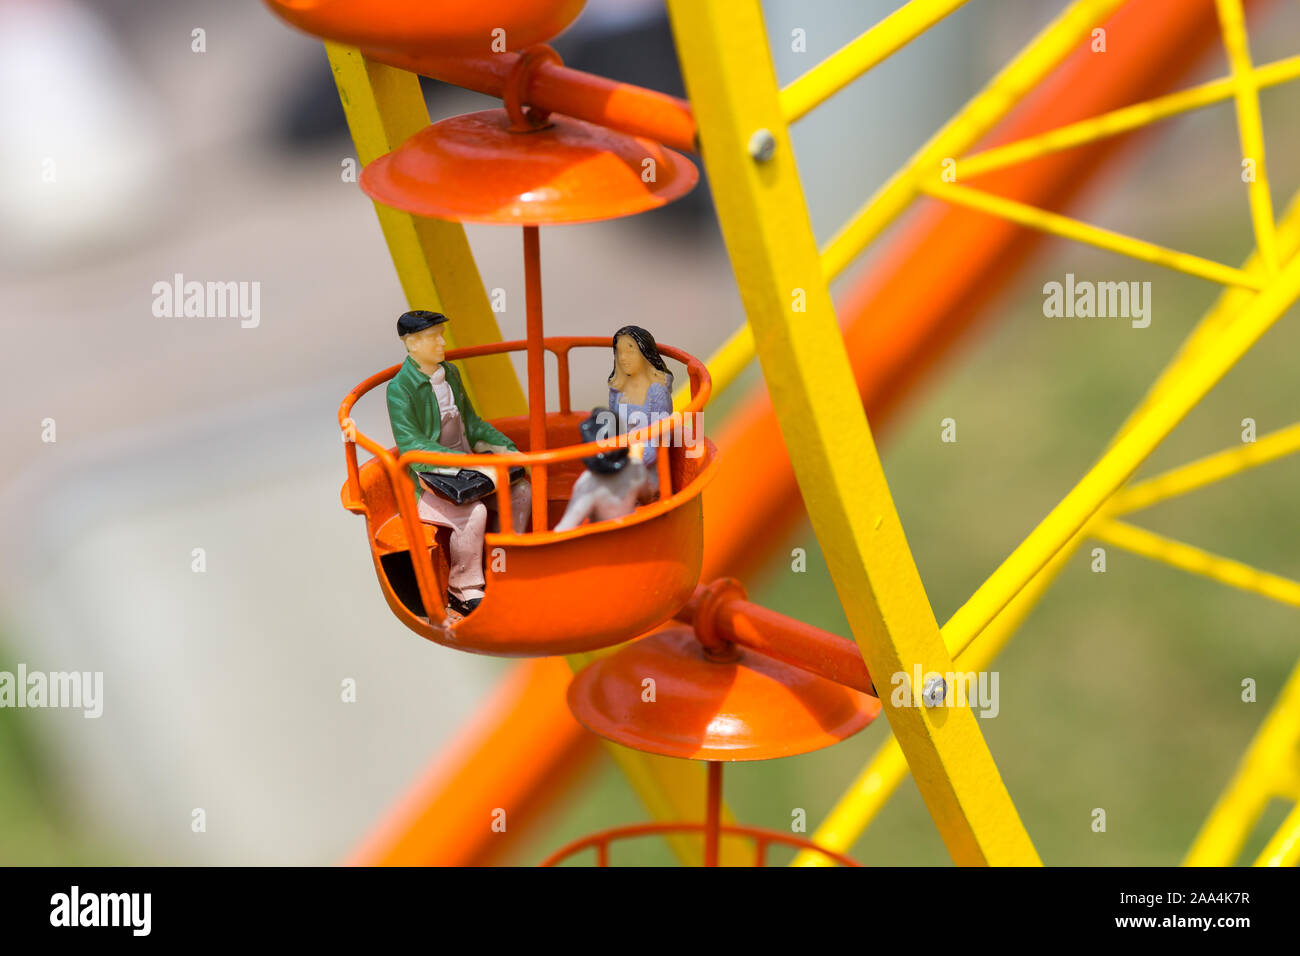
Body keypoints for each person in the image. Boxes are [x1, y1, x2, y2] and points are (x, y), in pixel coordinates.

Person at [386, 310, 531, 617]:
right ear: (411, 344)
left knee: (520, 494)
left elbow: (472, 423)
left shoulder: (450, 373)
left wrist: (505, 448)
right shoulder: (400, 389)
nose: (441, 342)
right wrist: (464, 463)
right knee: (472, 513)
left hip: (467, 467)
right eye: (432, 337)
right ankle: (462, 588)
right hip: (429, 477)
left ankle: (503, 564)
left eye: (441, 334)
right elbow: (412, 444)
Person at [555, 409, 650, 532]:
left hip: (602, 544)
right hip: (633, 536)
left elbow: (564, 529)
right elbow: (647, 498)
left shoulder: (588, 484)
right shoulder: (636, 469)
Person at [607, 325, 673, 493]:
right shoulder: (617, 388)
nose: (623, 358)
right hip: (621, 461)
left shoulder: (656, 392)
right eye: (619, 352)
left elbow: (658, 442)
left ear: (644, 354)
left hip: (645, 472)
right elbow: (614, 429)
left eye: (630, 352)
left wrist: (622, 461)